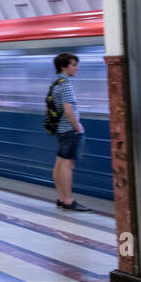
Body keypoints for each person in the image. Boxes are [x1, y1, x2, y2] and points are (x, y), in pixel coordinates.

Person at [48, 52, 89, 211]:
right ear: (64, 67)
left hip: (60, 129)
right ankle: (68, 201)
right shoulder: (66, 84)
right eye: (73, 65)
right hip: (69, 130)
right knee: (67, 165)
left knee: (59, 163)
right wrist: (78, 127)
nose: (77, 68)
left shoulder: (56, 81)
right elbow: (68, 108)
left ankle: (61, 198)